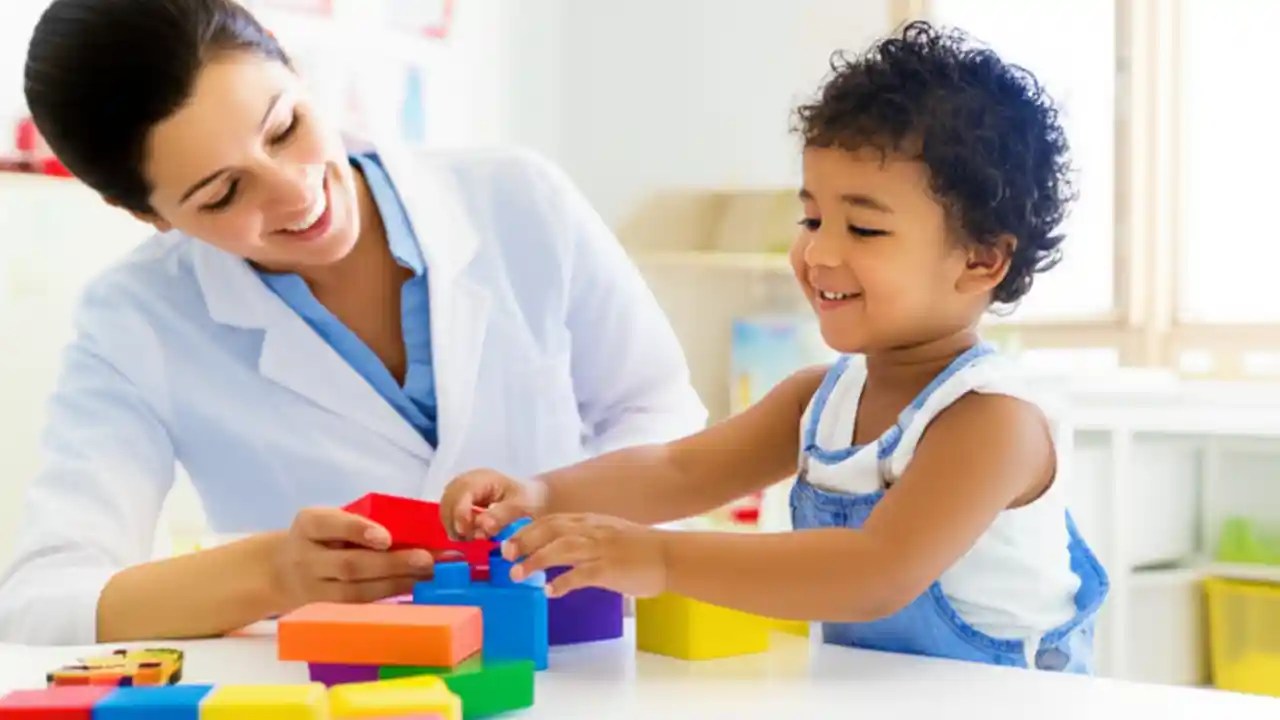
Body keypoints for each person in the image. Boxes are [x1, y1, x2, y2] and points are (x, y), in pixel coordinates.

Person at [0, 0, 706, 645]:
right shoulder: (134, 320)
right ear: (151, 217)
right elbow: (41, 605)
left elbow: (656, 412)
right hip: (349, 692)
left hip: (587, 668)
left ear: (293, 67)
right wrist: (274, 573)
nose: (296, 191)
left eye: (285, 128)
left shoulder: (517, 198)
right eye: (223, 193)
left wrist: (580, 533)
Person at [441, 21, 1109, 673]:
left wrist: (660, 559)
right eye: (813, 217)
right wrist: (538, 494)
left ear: (982, 261)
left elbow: (877, 570)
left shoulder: (992, 422)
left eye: (865, 229)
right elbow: (679, 471)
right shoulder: (817, 400)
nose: (817, 251)